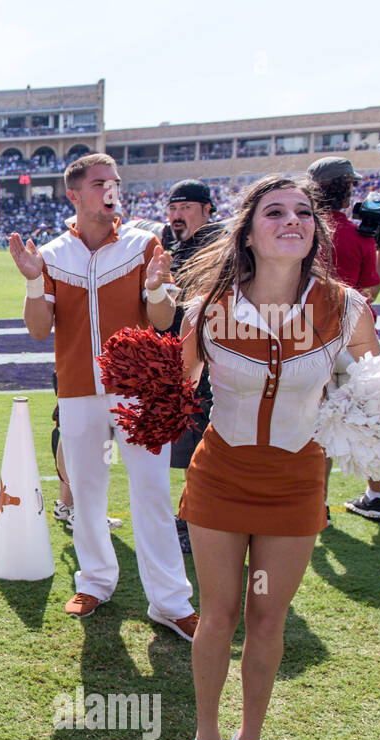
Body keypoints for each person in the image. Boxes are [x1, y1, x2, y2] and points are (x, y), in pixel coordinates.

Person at [177, 175, 380, 740]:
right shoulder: (208, 307)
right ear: (249, 230)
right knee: (219, 614)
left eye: (302, 213)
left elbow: (374, 392)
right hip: (220, 476)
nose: (292, 221)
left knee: (269, 617)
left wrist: (361, 426)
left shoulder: (346, 309)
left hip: (296, 482)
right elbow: (173, 389)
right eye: (275, 212)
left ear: (315, 229)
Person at [9, 153, 197, 638]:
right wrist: (33, 280)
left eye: (114, 182)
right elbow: (37, 330)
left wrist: (157, 290)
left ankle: (171, 602)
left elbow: (160, 322)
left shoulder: (143, 244)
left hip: (138, 389)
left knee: (152, 493)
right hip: (76, 391)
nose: (110, 190)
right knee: (87, 495)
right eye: (99, 184)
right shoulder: (51, 254)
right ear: (73, 195)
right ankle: (94, 580)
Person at [308, 157, 380, 523]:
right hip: (356, 338)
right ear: (348, 189)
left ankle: (319, 507)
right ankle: (376, 496)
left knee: (318, 423)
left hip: (312, 339)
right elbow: (369, 291)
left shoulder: (304, 231)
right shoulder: (361, 236)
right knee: (367, 419)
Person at [162, 180, 226, 553]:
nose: (176, 215)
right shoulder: (178, 247)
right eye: (172, 208)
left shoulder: (218, 247)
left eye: (185, 207)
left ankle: (195, 522)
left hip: (209, 365)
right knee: (188, 452)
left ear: (207, 210)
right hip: (182, 361)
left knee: (203, 451)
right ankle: (188, 517)